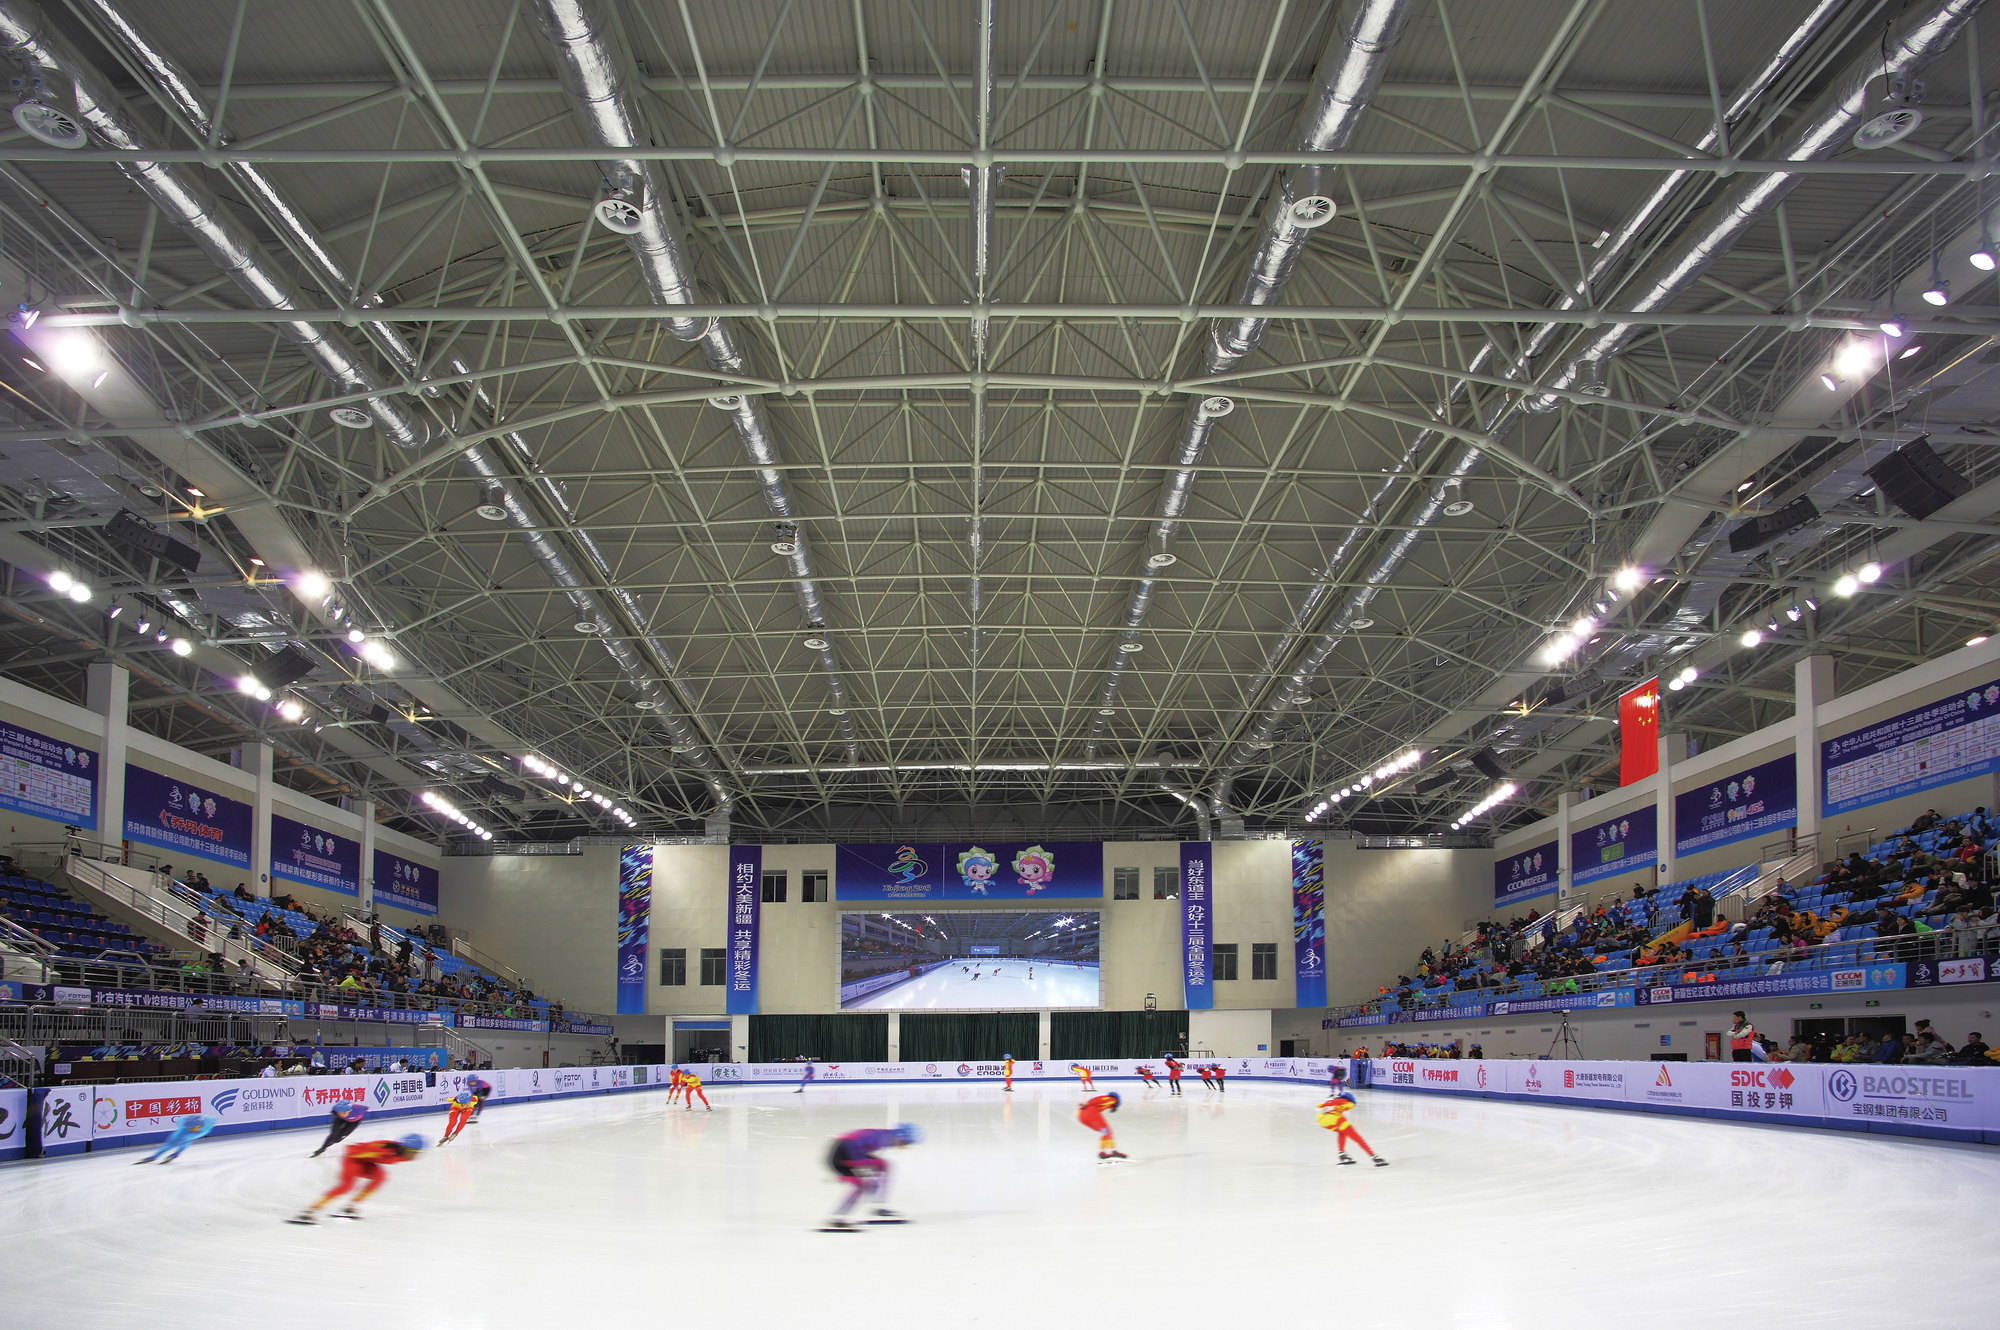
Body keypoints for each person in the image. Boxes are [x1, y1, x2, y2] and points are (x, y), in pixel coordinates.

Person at [289, 1135, 423, 1224]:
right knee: (347, 1186)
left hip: (367, 1161)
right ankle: (309, 1211)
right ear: (408, 1149)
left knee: (380, 1177)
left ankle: (350, 1207)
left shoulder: (404, 1155)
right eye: (416, 1152)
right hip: (354, 1158)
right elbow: (356, 1152)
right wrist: (348, 1171)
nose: (417, 1156)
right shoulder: (384, 1149)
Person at [821, 1123, 921, 1232]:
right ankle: (837, 1217)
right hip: (842, 1153)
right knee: (862, 1186)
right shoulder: (882, 1137)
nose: (905, 1147)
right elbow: (853, 1145)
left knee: (883, 1167)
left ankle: (878, 1207)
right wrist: (863, 1166)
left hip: (847, 1151)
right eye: (906, 1142)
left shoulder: (887, 1137)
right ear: (901, 1137)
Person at [1317, 1091, 1388, 1167]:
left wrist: (1331, 1108)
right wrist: (1334, 1107)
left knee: (1342, 1132)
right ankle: (1374, 1156)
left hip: (1321, 1120)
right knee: (1356, 1137)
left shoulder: (1332, 1101)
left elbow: (1320, 1108)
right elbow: (1348, 1106)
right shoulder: (1346, 1101)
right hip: (1334, 1118)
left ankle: (1342, 1154)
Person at [138, 1111, 217, 1164]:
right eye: (190, 1128)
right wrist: (189, 1129)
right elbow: (171, 1142)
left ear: (200, 1125)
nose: (192, 1130)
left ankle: (176, 1154)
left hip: (201, 1131)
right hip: (184, 1130)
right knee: (170, 1143)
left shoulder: (207, 1124)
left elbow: (213, 1119)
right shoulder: (183, 1124)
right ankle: (154, 1156)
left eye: (193, 1128)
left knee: (186, 1140)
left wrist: (193, 1132)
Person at [1077, 1091, 1125, 1162]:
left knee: (1104, 1132)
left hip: (1081, 1115)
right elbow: (1099, 1102)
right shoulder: (1112, 1100)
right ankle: (1111, 1151)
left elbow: (1093, 1101)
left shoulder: (1103, 1098)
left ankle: (1104, 1152)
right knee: (1106, 1131)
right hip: (1091, 1112)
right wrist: (1113, 1105)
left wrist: (1085, 1104)